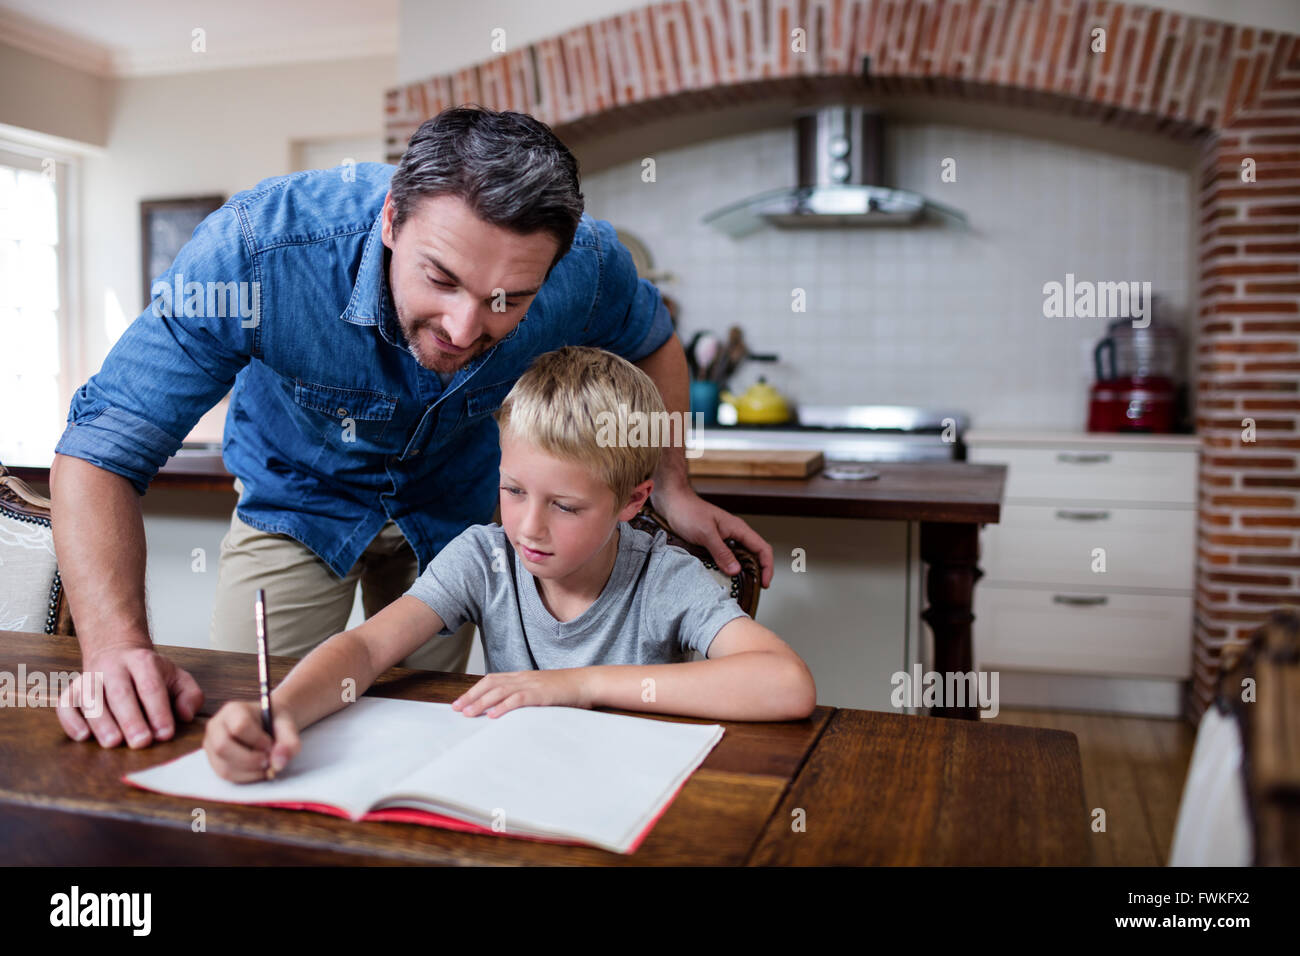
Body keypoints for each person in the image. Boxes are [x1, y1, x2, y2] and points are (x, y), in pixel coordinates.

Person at [51, 106, 775, 751]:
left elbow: (654, 341)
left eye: (506, 300)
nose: (465, 328)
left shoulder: (586, 268)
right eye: (440, 279)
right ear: (392, 220)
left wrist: (674, 484)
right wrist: (114, 648)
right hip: (297, 498)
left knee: (431, 732)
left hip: (454, 512)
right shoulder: (258, 253)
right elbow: (101, 449)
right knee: (256, 718)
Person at [203, 347, 815, 782]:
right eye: (513, 490)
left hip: (630, 797)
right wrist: (277, 711)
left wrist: (577, 685)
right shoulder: (484, 558)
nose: (527, 527)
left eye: (566, 506)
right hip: (515, 789)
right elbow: (364, 651)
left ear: (633, 501)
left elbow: (785, 684)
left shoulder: (663, 579)